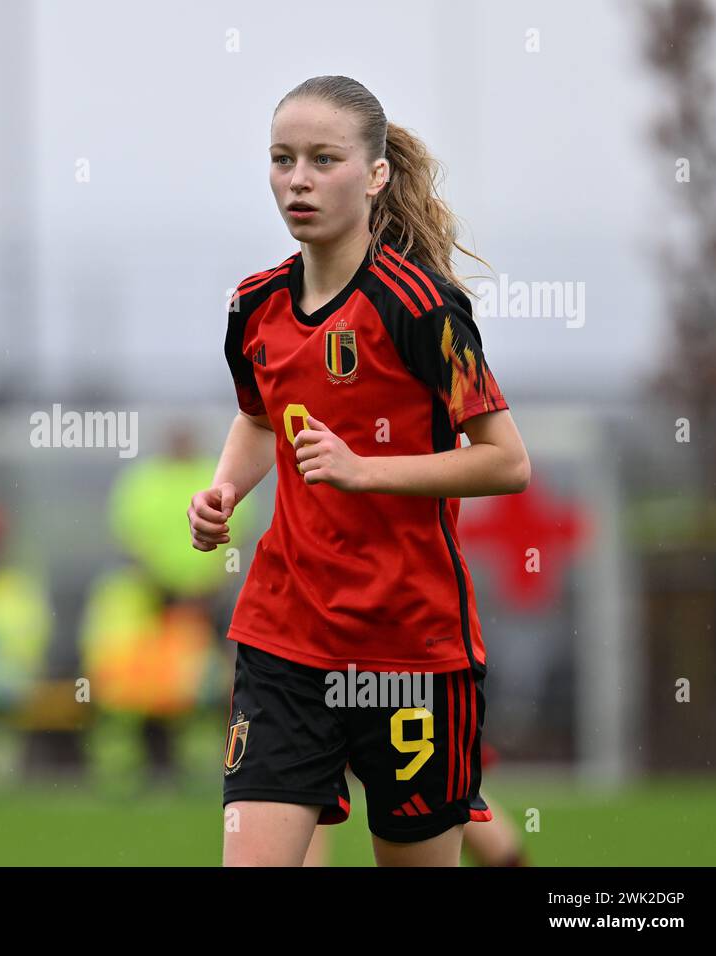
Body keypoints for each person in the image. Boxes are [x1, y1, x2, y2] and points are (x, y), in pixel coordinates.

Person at [190, 75, 530, 866]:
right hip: (285, 637)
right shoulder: (254, 306)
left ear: (375, 175)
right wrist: (226, 490)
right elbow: (256, 415)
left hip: (411, 648)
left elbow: (506, 462)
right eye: (282, 159)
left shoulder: (420, 307)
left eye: (322, 159)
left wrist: (366, 471)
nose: (298, 179)